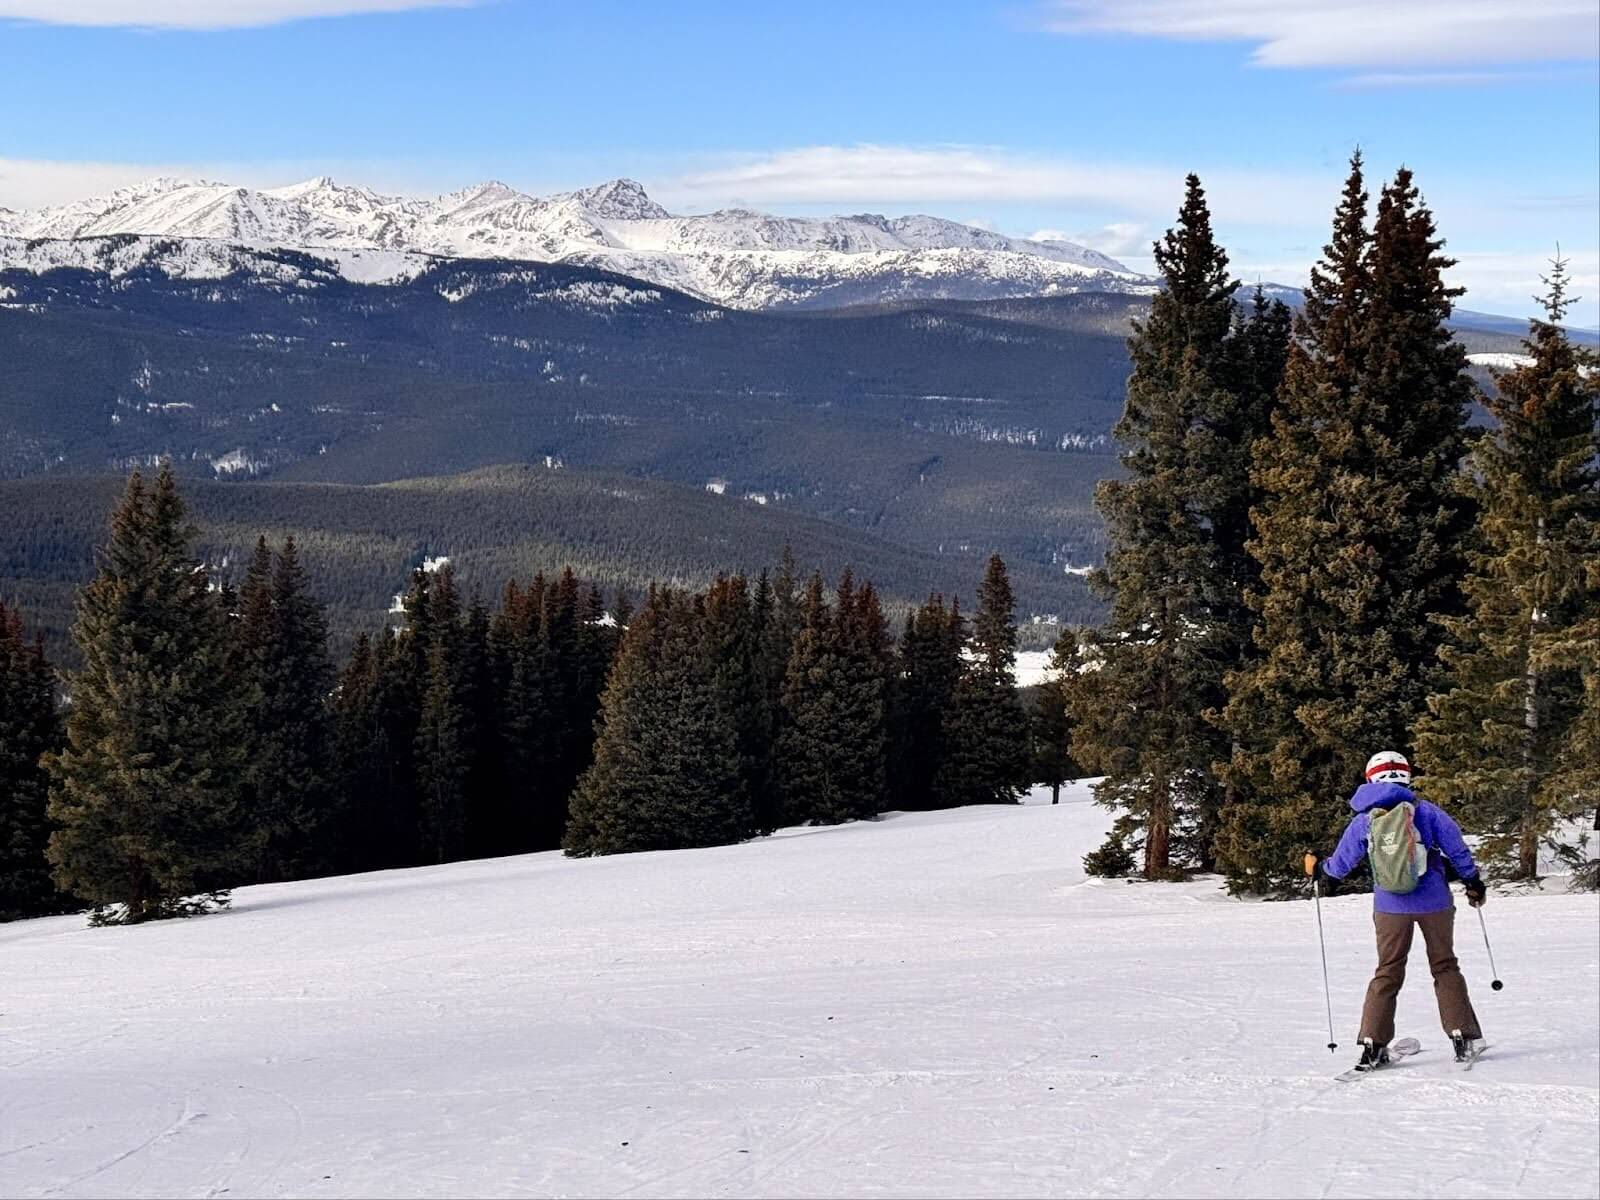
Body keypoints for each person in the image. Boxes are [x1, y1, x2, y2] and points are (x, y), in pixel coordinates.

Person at [1304, 750, 1488, 1070]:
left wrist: (1319, 868)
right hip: (1436, 903)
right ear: (1407, 776)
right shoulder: (1427, 812)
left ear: (1370, 778)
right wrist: (1473, 882)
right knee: (1444, 965)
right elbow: (1457, 850)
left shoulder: (1365, 819)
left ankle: (1372, 1045)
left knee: (1388, 970)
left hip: (1390, 907)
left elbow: (1339, 867)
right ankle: (1463, 1036)